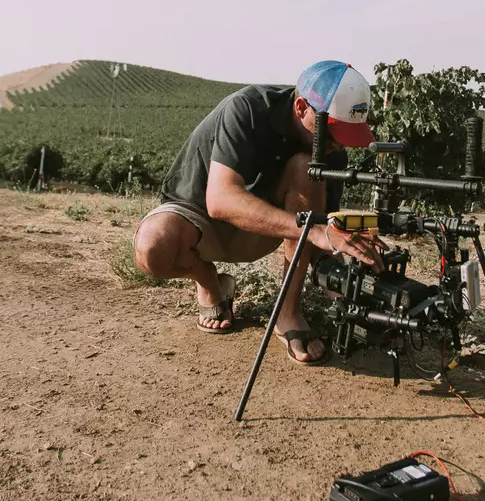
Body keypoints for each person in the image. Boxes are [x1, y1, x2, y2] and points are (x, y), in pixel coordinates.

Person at [133, 60, 386, 365]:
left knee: (308, 170)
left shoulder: (331, 153)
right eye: (333, 134)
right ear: (301, 107)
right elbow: (220, 200)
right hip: (198, 219)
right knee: (153, 247)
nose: (338, 145)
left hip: (261, 230)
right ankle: (208, 282)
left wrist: (354, 286)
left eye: (347, 137)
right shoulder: (247, 109)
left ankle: (287, 313)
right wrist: (316, 231)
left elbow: (320, 236)